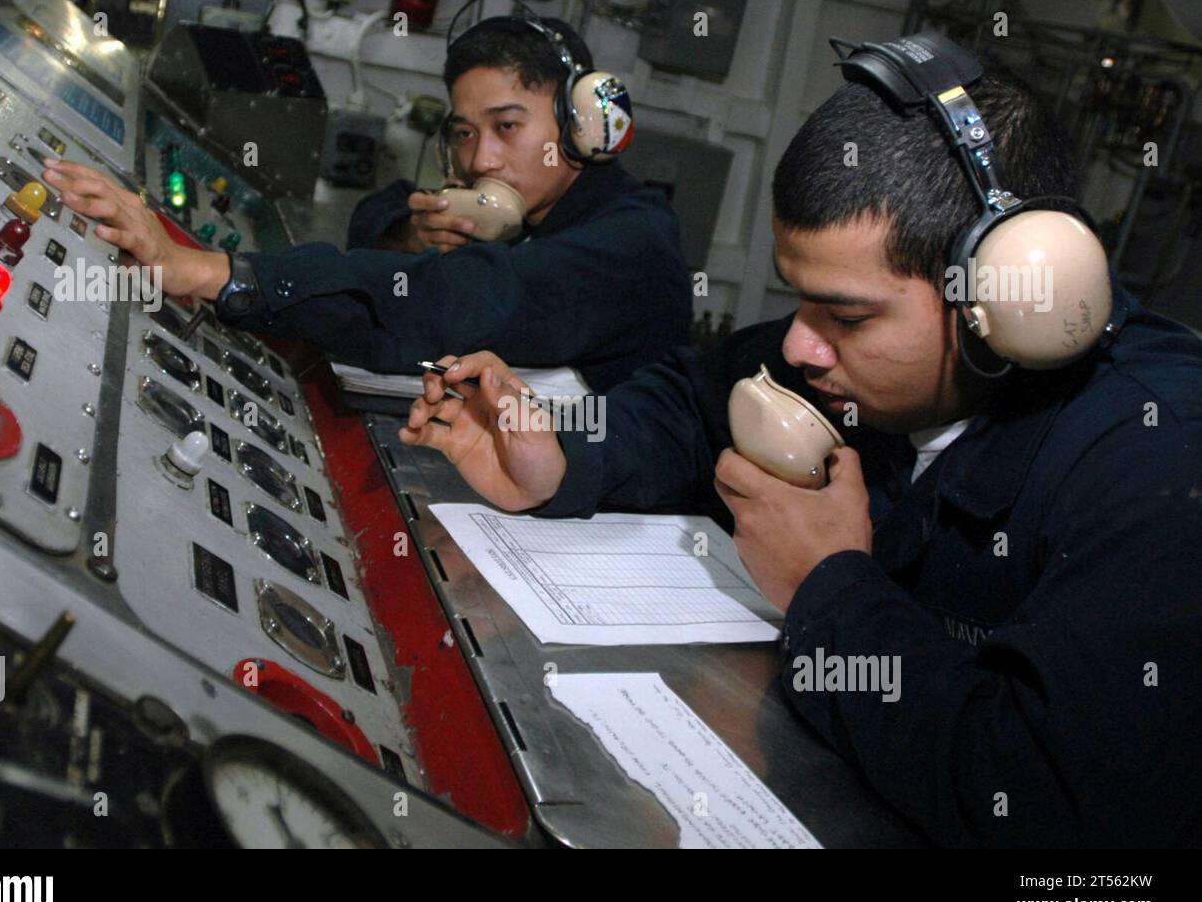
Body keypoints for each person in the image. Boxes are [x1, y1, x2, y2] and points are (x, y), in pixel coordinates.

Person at [396, 45, 1202, 847]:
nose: (804, 347)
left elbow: (1057, 813)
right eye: (801, 303)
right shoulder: (840, 351)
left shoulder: (1157, 460)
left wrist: (828, 589)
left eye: (846, 318)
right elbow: (690, 400)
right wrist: (569, 459)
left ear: (1002, 295)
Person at [42, 16, 691, 391]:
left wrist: (215, 272)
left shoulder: (636, 243)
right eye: (465, 134)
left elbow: (464, 301)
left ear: (583, 125)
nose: (482, 160)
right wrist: (410, 236)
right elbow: (376, 212)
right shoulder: (518, 205)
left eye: (508, 126)